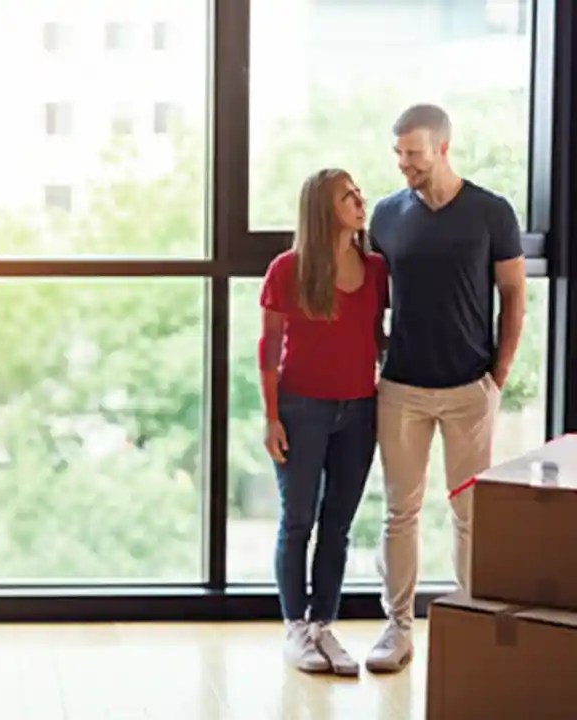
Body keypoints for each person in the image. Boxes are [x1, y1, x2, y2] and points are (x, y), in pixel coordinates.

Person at [364, 104, 527, 673]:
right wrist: (379, 355)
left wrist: (497, 374)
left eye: (413, 153)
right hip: (403, 387)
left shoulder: (491, 212)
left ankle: (473, 624)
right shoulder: (385, 215)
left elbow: (513, 294)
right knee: (399, 512)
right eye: (399, 153)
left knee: (470, 515)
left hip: (469, 387)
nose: (404, 164)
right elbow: (369, 297)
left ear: (443, 148)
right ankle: (397, 628)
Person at [259, 168, 389, 676]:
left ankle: (323, 625)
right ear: (322, 210)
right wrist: (271, 417)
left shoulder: (377, 268)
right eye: (347, 196)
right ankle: (296, 627)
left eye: (358, 192)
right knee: (299, 522)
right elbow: (268, 348)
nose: (360, 201)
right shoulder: (287, 269)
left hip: (360, 409)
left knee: (338, 525)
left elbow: (379, 334)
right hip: (301, 408)